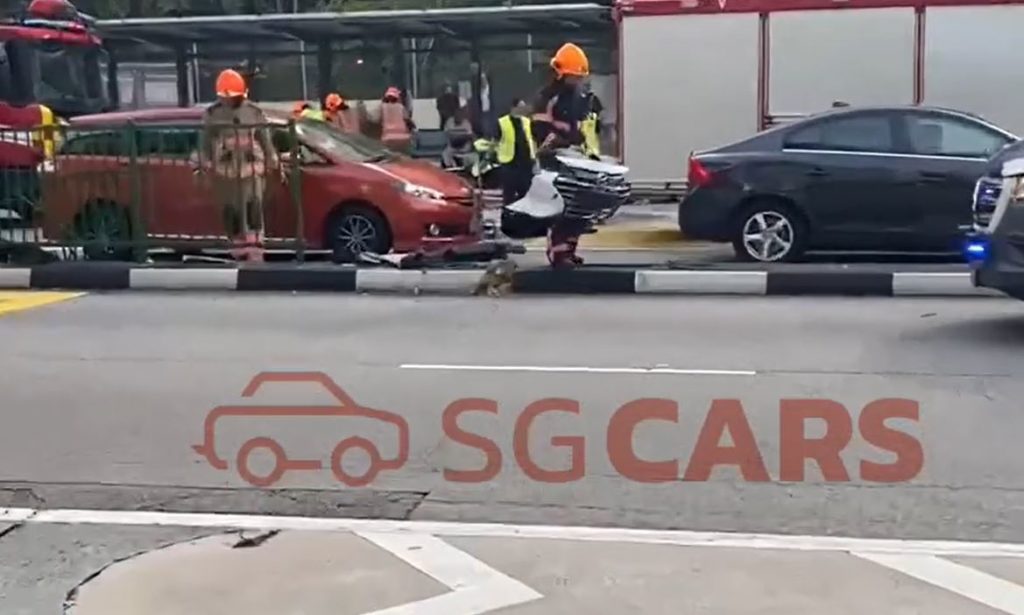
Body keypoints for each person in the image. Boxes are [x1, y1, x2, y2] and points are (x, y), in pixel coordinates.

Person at [199, 68, 278, 262]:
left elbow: (264, 138)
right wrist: (203, 162)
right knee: (230, 209)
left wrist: (271, 158)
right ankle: (236, 244)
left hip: (251, 168)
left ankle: (255, 245)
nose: (228, 100)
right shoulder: (213, 114)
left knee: (254, 206)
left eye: (231, 96)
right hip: (225, 169)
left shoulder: (253, 112)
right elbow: (205, 142)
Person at [531, 43, 592, 266]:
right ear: (560, 73)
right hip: (554, 157)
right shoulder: (548, 97)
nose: (577, 81)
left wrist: (581, 143)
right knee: (563, 207)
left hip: (574, 155)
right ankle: (558, 252)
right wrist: (559, 141)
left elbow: (579, 127)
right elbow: (540, 129)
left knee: (580, 206)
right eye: (573, 76)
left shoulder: (577, 97)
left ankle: (569, 248)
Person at [494, 98, 536, 206]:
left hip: (525, 163)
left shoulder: (526, 121)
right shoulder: (502, 122)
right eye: (520, 107)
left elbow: (530, 139)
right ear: (513, 108)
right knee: (509, 194)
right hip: (509, 162)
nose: (523, 109)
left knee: (526, 193)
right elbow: (495, 141)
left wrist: (534, 157)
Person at [377, 86, 414, 153]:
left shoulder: (382, 107)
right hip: (403, 138)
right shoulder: (400, 107)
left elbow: (377, 120)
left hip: (387, 138)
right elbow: (407, 120)